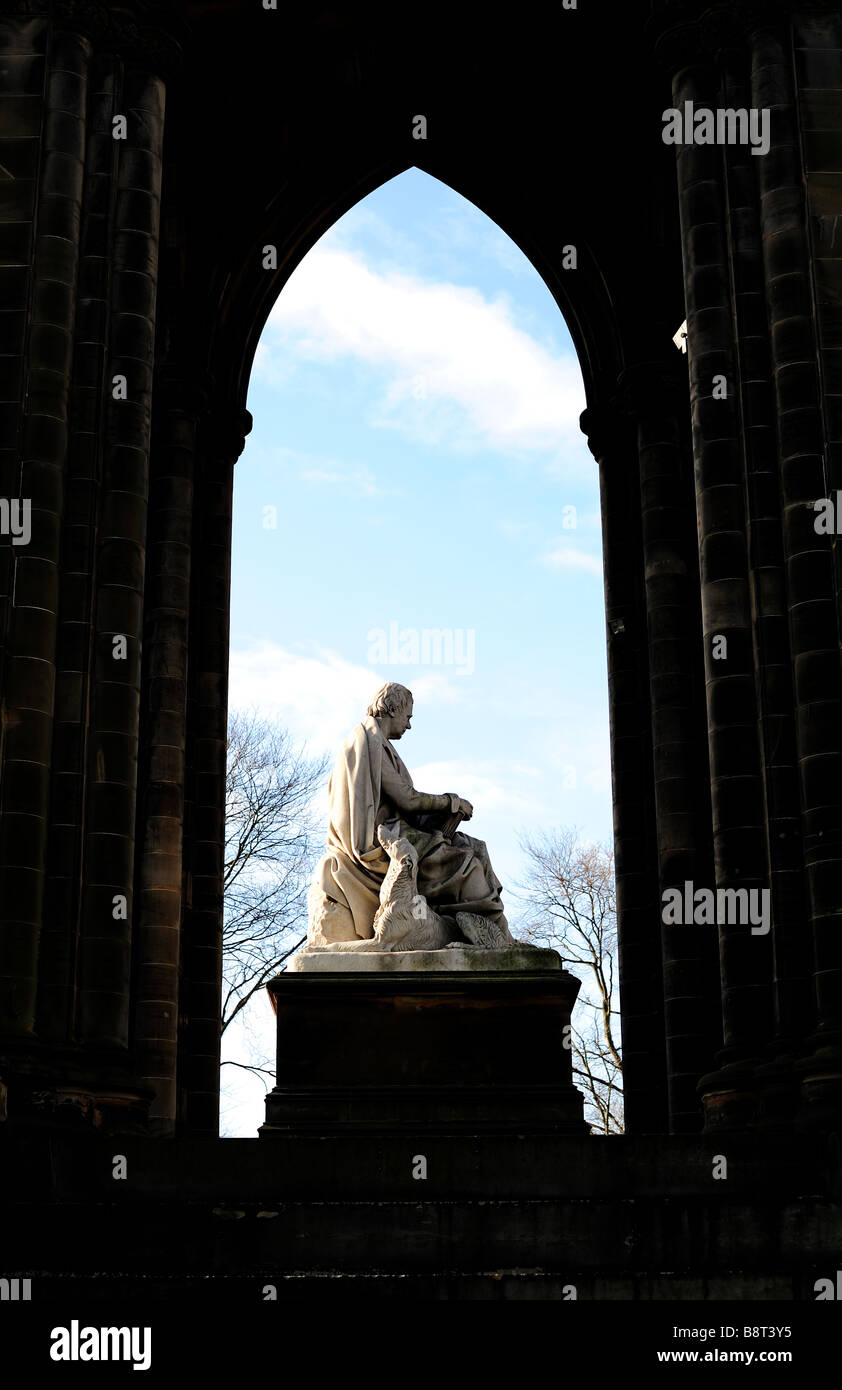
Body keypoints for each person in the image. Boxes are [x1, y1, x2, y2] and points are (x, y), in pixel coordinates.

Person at [309, 681, 509, 942]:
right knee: (465, 861)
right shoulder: (368, 741)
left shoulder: (377, 743)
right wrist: (451, 802)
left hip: (401, 829)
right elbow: (407, 799)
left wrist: (443, 816)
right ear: (392, 708)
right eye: (408, 716)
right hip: (384, 839)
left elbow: (404, 803)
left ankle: (498, 935)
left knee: (477, 847)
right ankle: (485, 935)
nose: (409, 725)